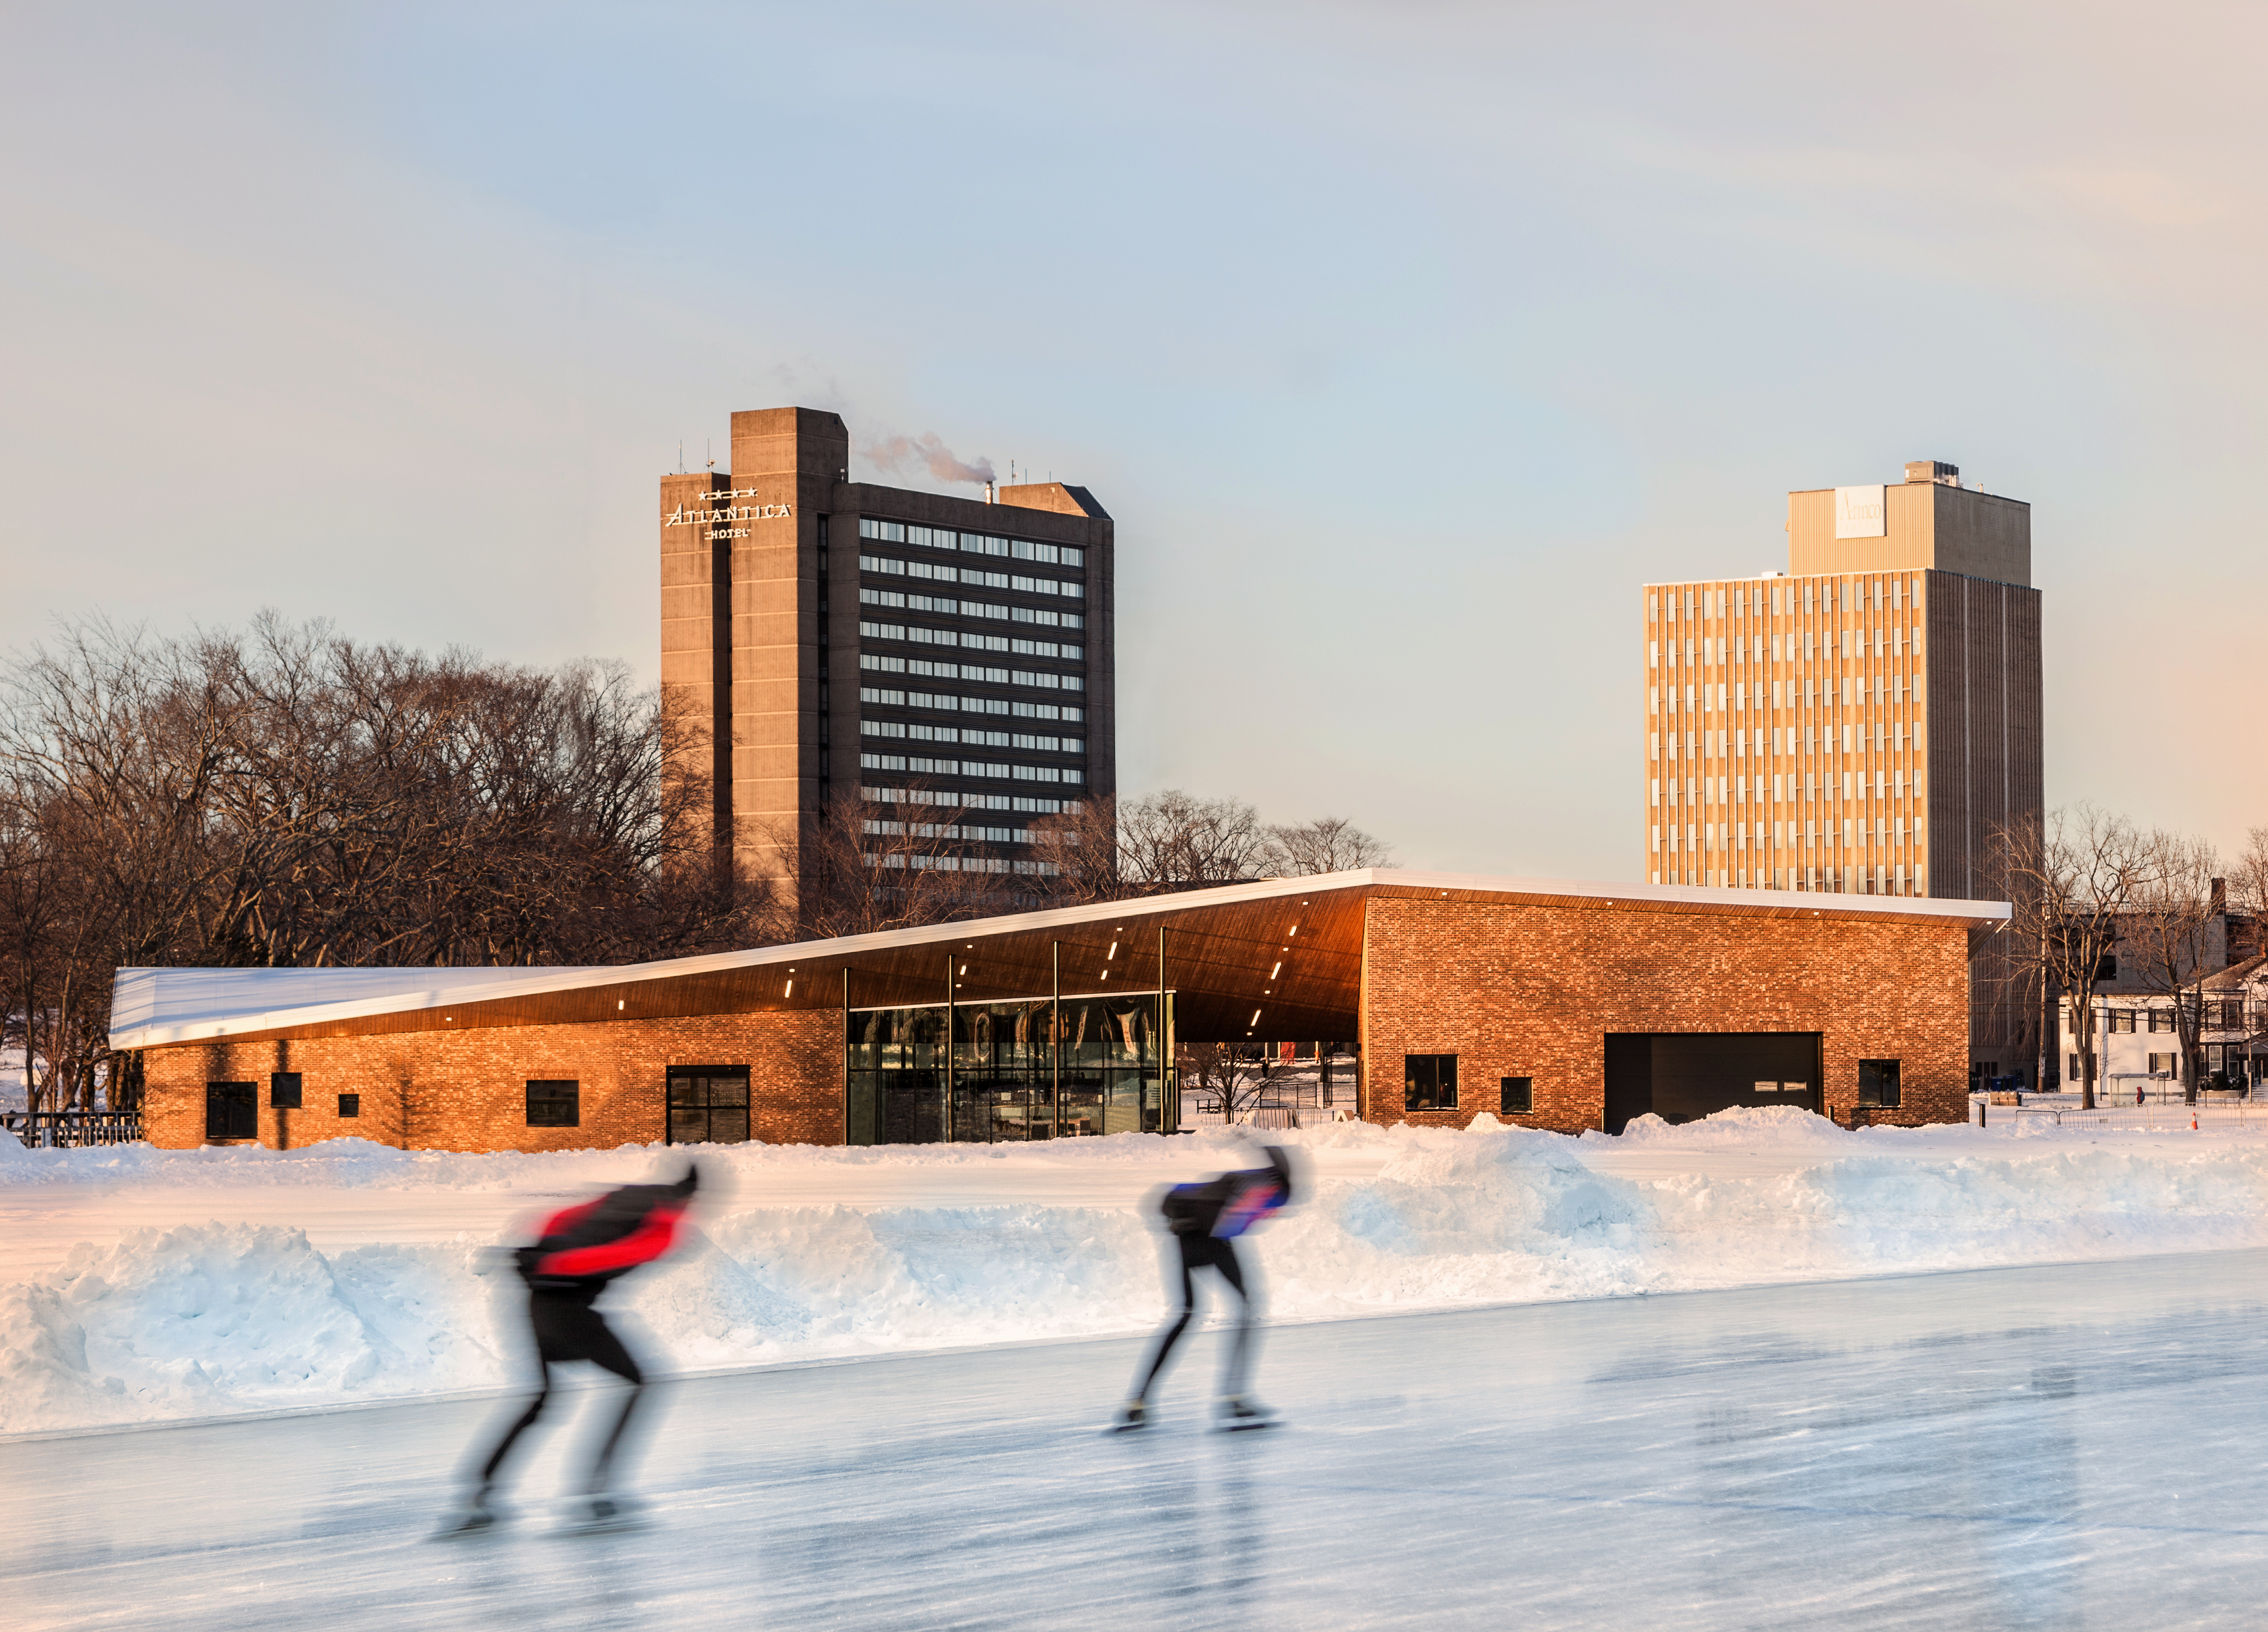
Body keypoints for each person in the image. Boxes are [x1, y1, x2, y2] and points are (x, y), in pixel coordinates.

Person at [442, 1164, 699, 1535]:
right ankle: (594, 1491)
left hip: (538, 1300)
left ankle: (481, 1491)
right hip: (569, 1305)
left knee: (543, 1398)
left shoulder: (623, 1196)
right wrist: (556, 1263)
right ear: (690, 1197)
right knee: (639, 1381)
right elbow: (612, 1256)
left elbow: (558, 1217)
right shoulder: (664, 1227)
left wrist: (539, 1255)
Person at [1116, 1143, 1295, 1431]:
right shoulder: (1263, 1188)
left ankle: (1138, 1401)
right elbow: (1238, 1208)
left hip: (1187, 1231)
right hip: (1205, 1233)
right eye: (1276, 1207)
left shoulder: (1243, 1183)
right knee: (1247, 1305)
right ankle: (1234, 1397)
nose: (1273, 1213)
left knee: (1188, 1312)